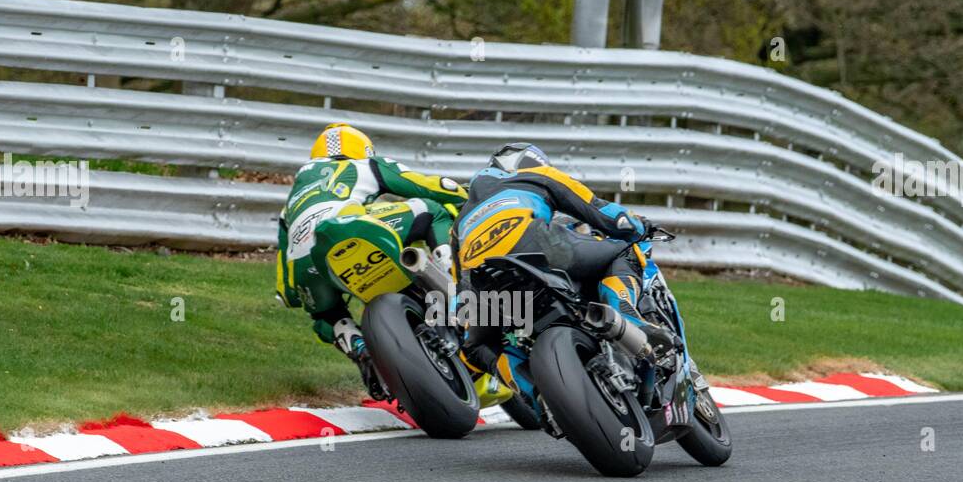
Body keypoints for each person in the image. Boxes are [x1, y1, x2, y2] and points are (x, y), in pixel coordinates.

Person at [451, 142, 674, 406]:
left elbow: (459, 282)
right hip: (534, 244)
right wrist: (639, 227)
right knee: (624, 250)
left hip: (481, 280)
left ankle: (537, 397)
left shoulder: (460, 221)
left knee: (478, 347)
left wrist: (470, 326)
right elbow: (604, 214)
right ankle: (628, 318)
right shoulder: (538, 175)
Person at [275, 122, 466, 390]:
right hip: (351, 228)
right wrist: (465, 197)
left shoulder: (289, 205)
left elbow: (287, 292)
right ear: (362, 149)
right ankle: (456, 292)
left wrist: (301, 294)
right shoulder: (363, 165)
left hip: (306, 267)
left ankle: (359, 347)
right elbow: (429, 186)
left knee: (325, 316)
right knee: (432, 210)